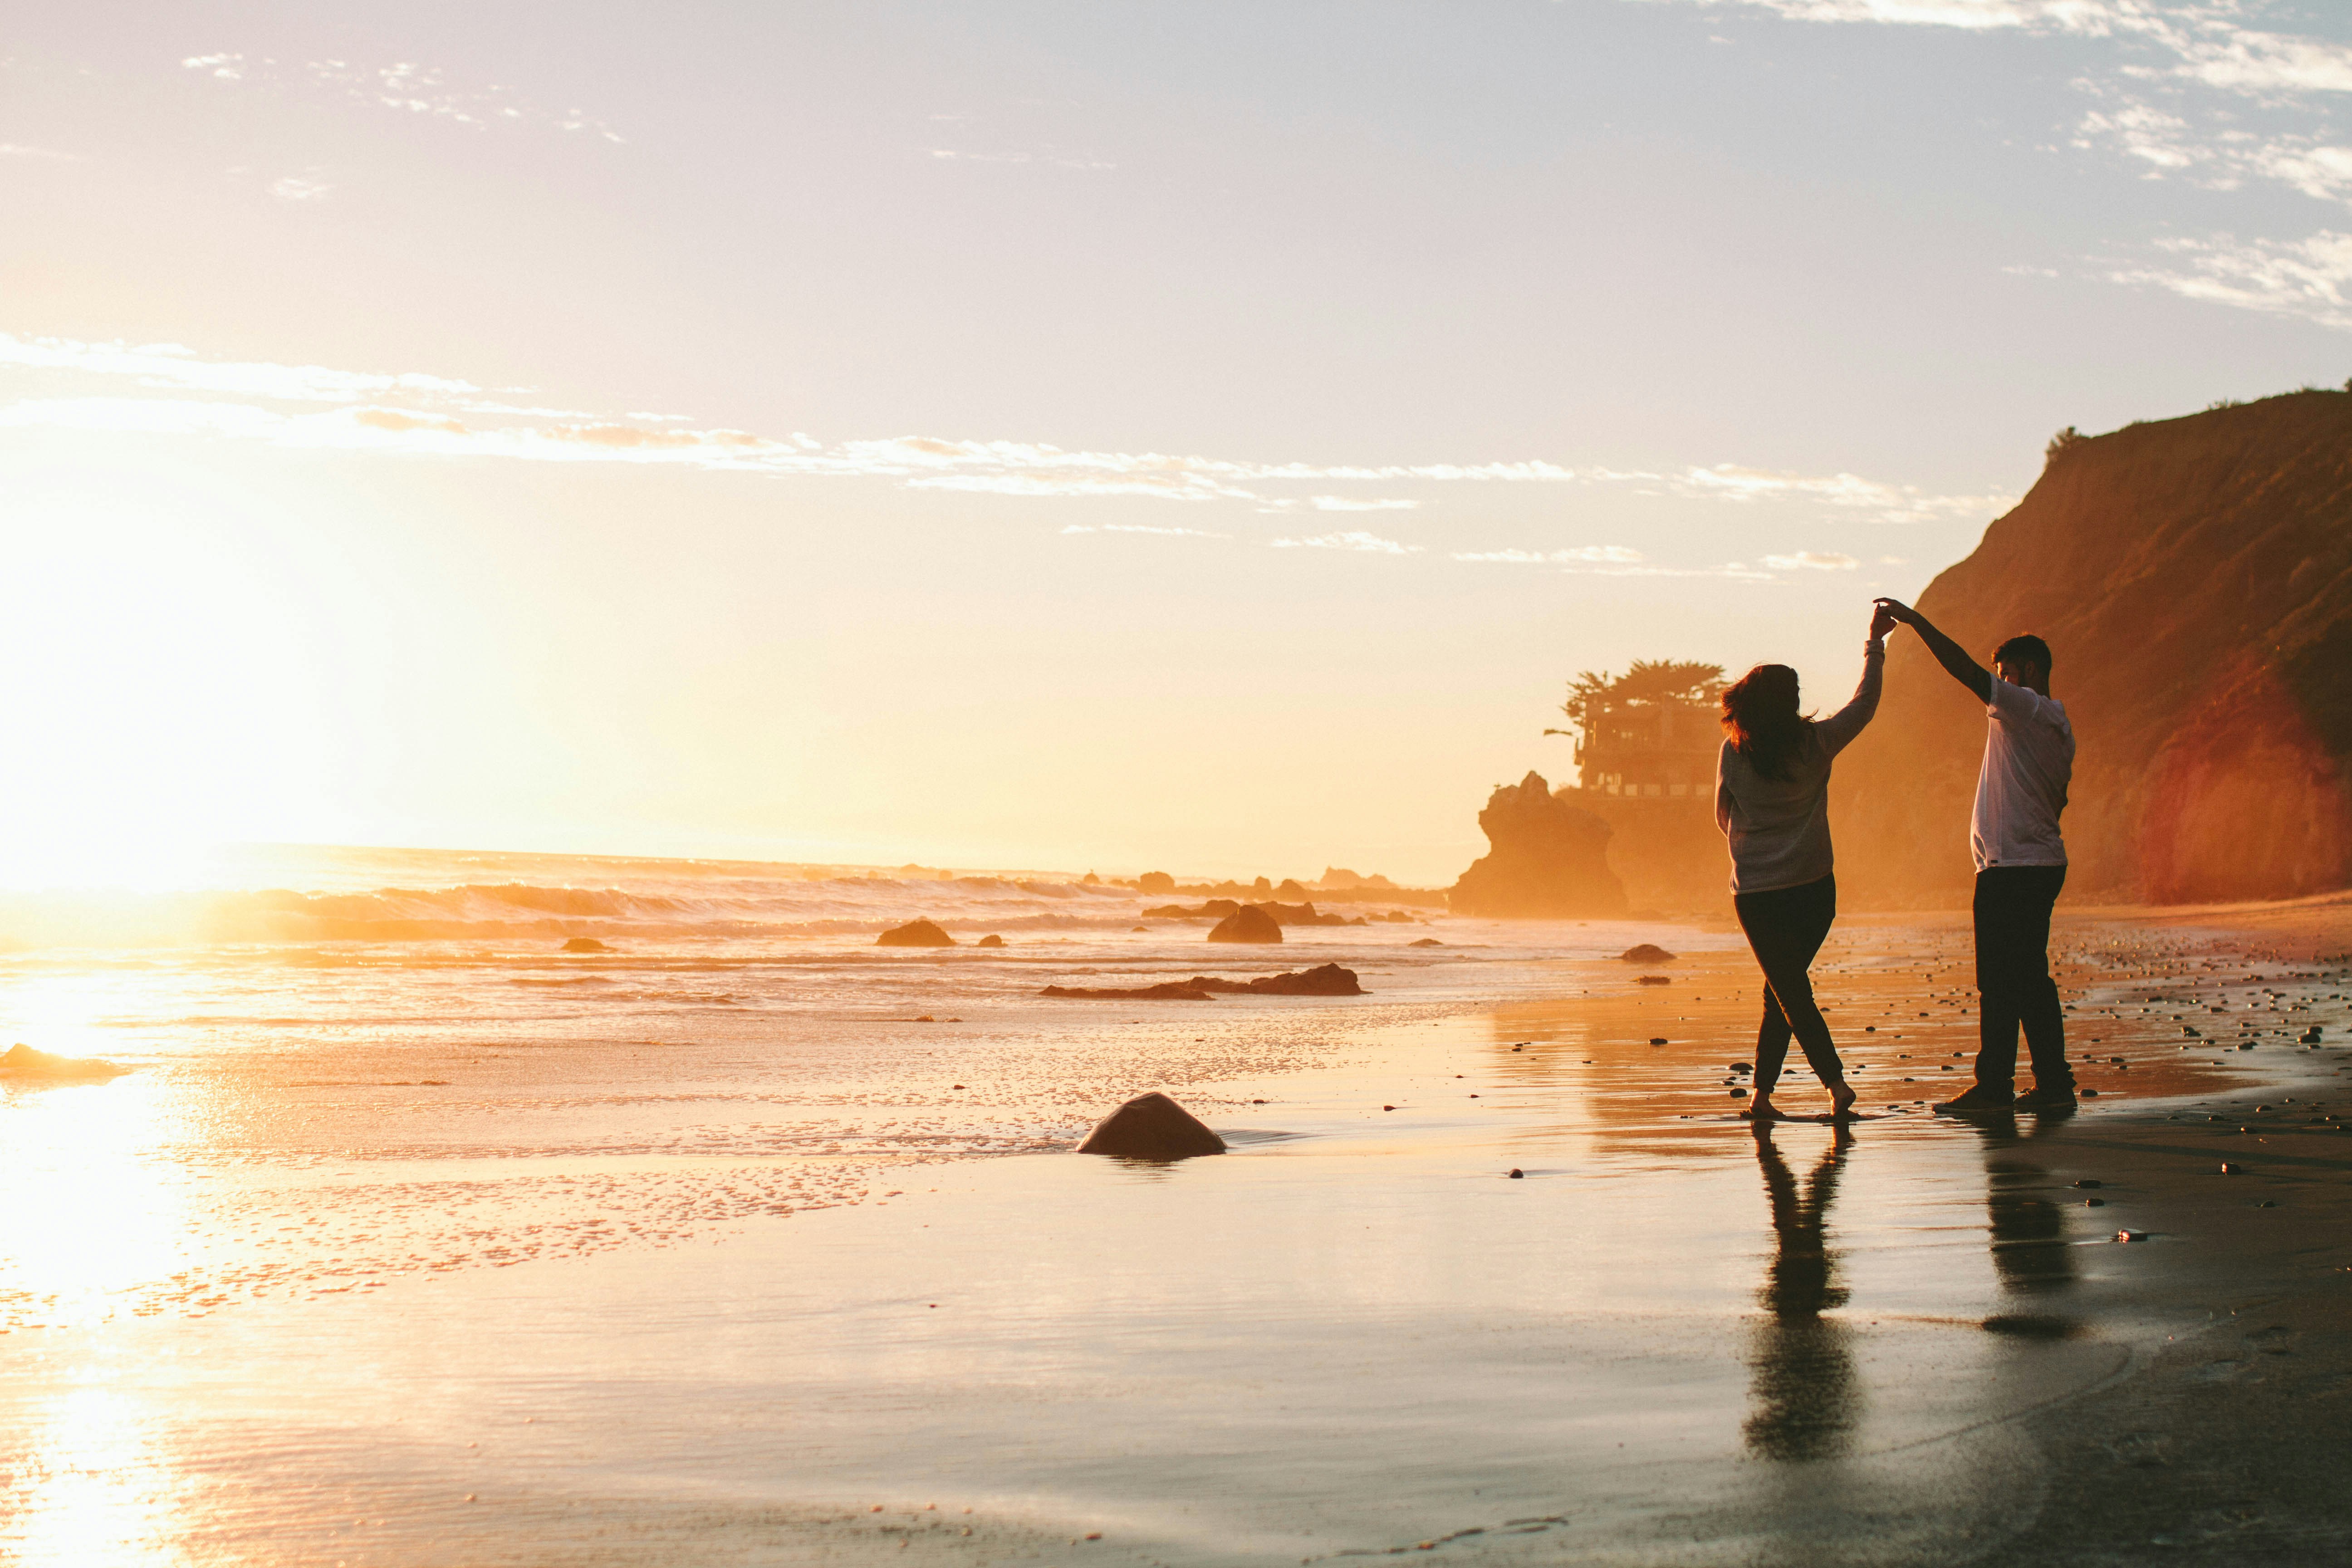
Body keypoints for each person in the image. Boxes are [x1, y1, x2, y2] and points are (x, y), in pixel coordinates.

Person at [1872, 600, 2077, 1113]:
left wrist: (1915, 623)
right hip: (2031, 863)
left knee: (2002, 982)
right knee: (2028, 978)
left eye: (2007, 674)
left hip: (2015, 869)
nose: (2000, 685)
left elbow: (1966, 671)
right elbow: (2060, 797)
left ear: (2029, 672)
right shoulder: (2058, 725)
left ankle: (1998, 1087)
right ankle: (2050, 1084)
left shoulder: (2028, 708)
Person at [1714, 603, 1894, 1121]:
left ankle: (1836, 1085)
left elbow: (1723, 816)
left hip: (1758, 895)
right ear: (1789, 702)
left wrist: (1755, 845)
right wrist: (1875, 646)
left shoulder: (1733, 753)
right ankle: (1762, 1097)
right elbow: (1865, 704)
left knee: (1790, 991)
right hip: (1815, 890)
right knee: (1785, 990)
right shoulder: (1818, 743)